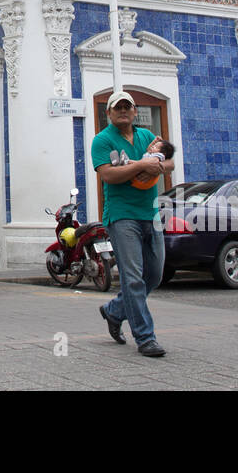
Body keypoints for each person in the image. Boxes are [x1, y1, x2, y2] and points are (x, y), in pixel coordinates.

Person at [93, 90, 171, 357]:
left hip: (150, 214)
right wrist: (141, 165)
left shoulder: (147, 137)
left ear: (135, 111)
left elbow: (168, 161)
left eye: (128, 107)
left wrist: (159, 164)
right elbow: (108, 175)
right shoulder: (102, 140)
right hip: (122, 215)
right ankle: (145, 337)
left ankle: (114, 311)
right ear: (109, 113)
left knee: (154, 275)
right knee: (133, 278)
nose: (123, 111)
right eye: (118, 108)